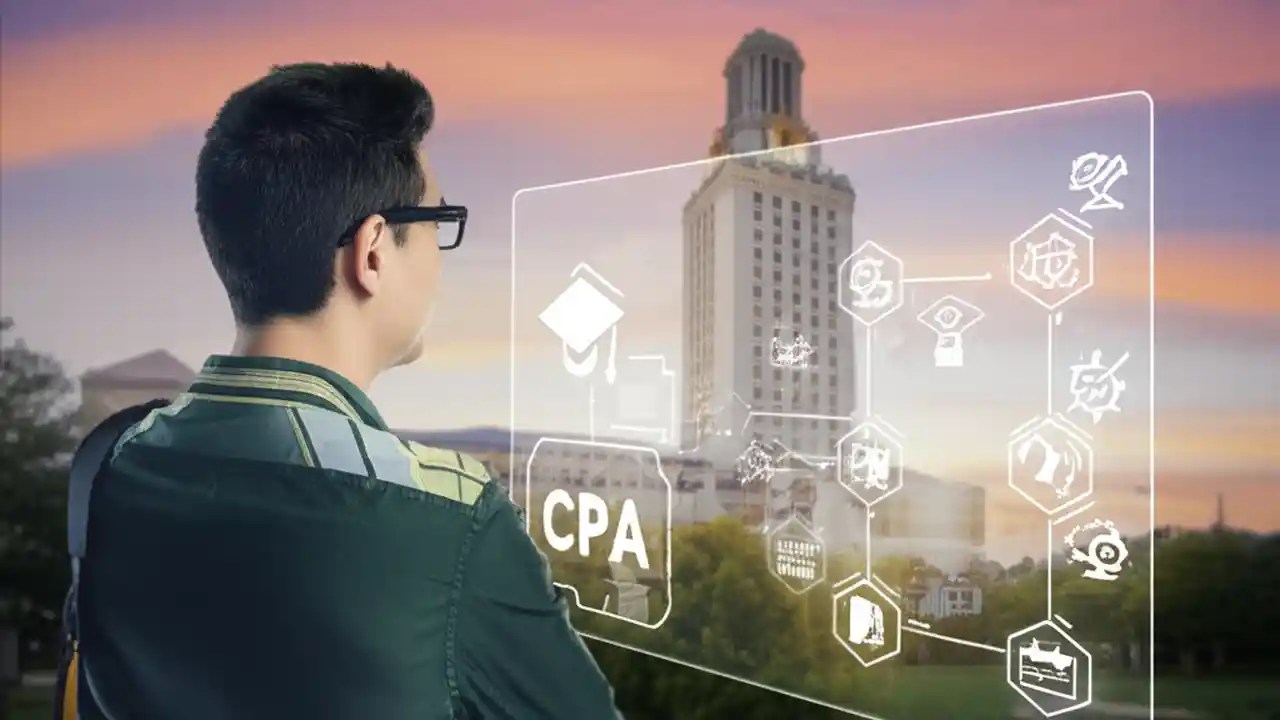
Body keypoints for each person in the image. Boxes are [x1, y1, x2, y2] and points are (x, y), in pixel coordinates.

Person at [71, 62, 623, 719]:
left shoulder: (111, 468)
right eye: (437, 223)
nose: (441, 258)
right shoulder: (450, 518)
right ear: (373, 252)